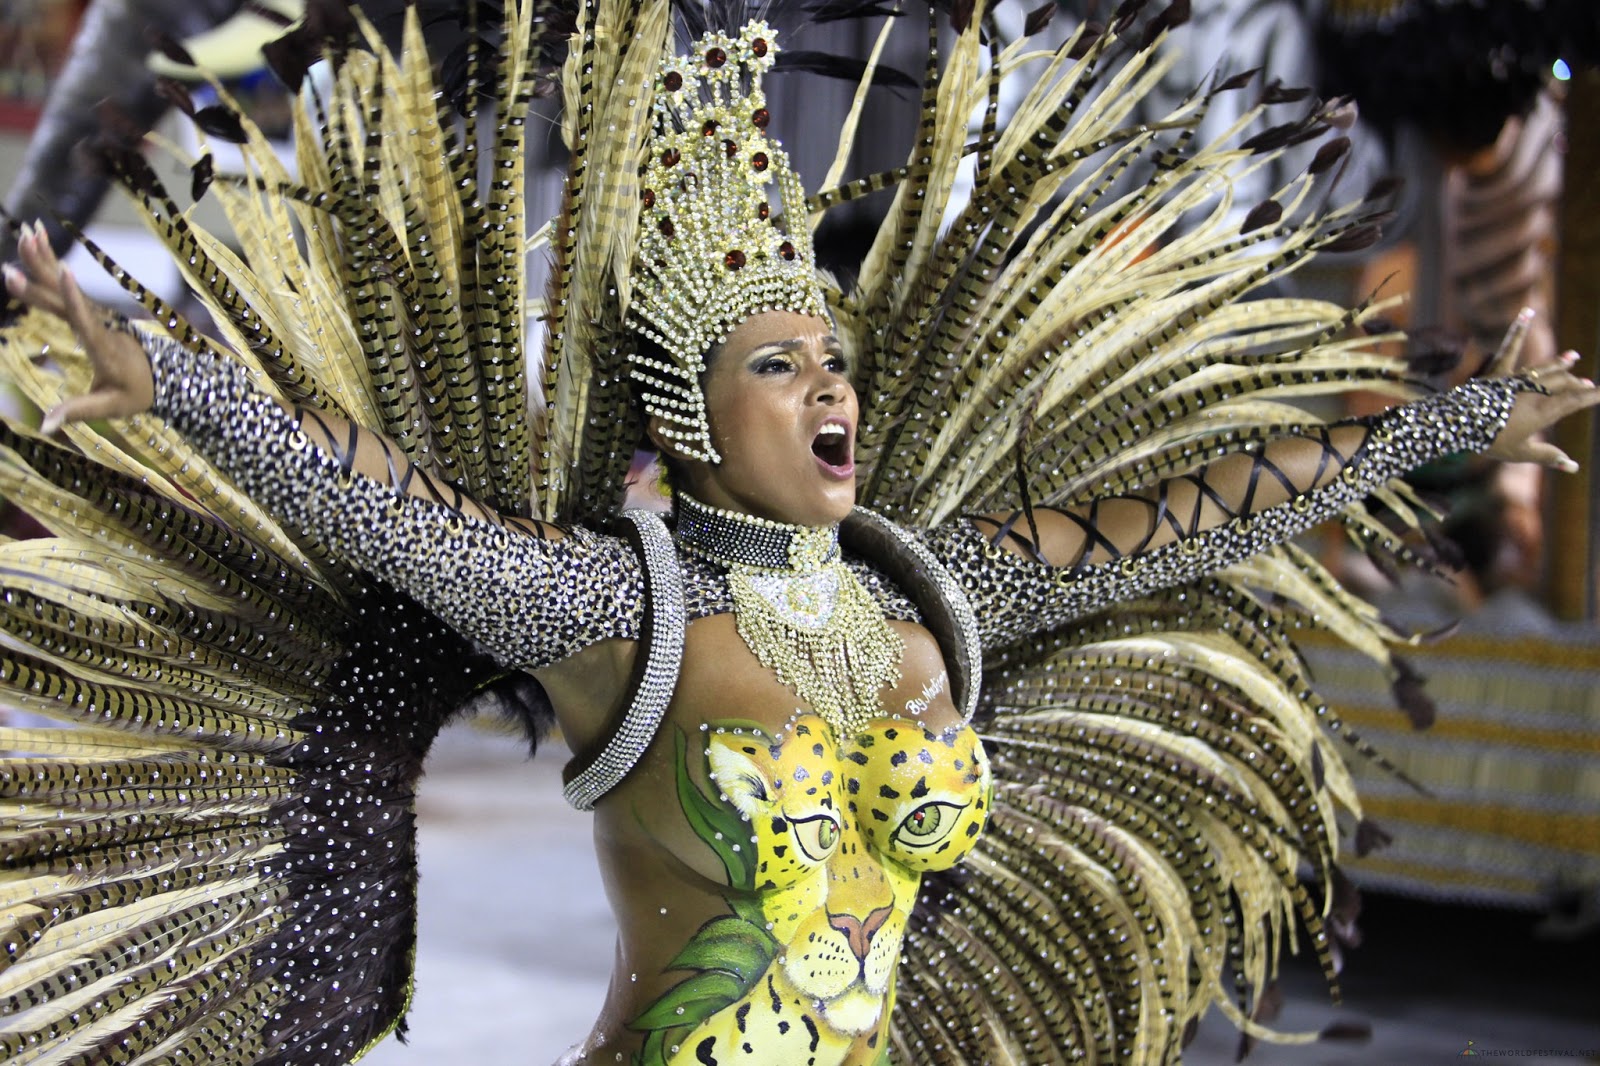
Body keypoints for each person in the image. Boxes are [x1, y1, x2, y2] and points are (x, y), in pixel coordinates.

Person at [1, 3, 1595, 1064]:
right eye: (780, 362)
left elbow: (1194, 514)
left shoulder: (928, 591)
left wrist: (1459, 424)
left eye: (833, 358)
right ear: (695, 422)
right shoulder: (615, 614)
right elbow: (372, 499)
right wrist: (169, 383)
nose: (830, 383)